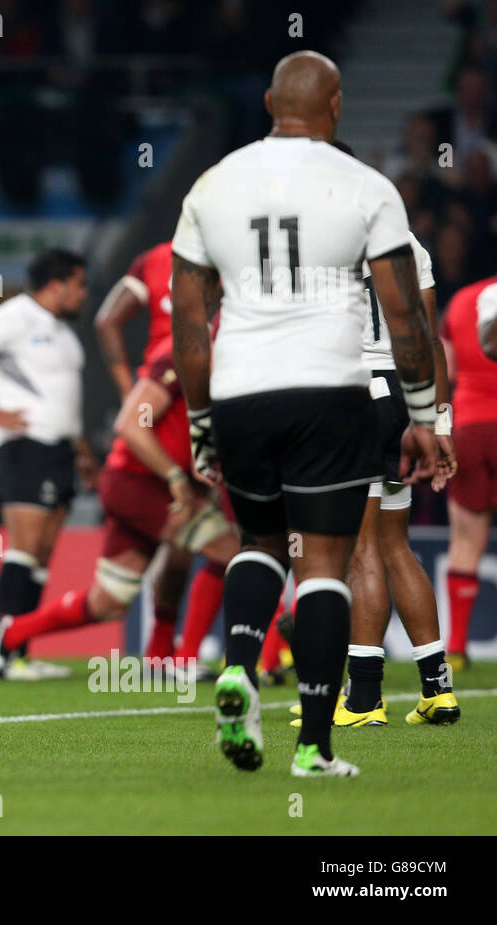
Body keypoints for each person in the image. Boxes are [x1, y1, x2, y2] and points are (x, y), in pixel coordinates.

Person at [171, 51, 438, 779]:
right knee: (324, 564)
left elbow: (189, 323)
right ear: (338, 105)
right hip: (332, 390)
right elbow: (405, 315)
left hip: (241, 390)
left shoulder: (211, 186)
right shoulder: (366, 185)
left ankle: (237, 669)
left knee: (260, 539)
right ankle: (315, 747)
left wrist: (200, 420)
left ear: (266, 102)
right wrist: (422, 413)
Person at [0, 347, 238, 672]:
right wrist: (175, 477)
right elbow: (130, 425)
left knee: (109, 601)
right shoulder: (182, 358)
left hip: (142, 486)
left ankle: (11, 631)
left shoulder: (226, 368)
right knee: (232, 554)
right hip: (141, 484)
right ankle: (188, 659)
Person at [330, 145, 459, 727]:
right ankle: (437, 688)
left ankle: (364, 697)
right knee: (395, 544)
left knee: (359, 551)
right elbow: (430, 340)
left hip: (355, 393)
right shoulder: (407, 242)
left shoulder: (322, 242)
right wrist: (438, 420)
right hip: (407, 397)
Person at [0, 250, 97, 680]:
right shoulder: (16, 316)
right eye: (80, 285)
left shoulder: (62, 332)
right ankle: (1, 653)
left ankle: (19, 650)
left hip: (60, 450)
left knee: (42, 554)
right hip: (25, 446)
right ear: (57, 284)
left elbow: (64, 396)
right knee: (24, 547)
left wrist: (81, 451)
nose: (84, 294)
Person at [440, 275, 497, 669]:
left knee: (465, 539)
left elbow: (444, 368)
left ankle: (456, 648)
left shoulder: (462, 299)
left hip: (470, 426)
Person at [93, 240, 174, 399]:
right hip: (214, 377)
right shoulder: (229, 256)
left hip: (159, 381)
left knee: (140, 421)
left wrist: (128, 392)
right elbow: (106, 323)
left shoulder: (154, 259)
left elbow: (106, 321)